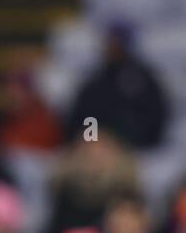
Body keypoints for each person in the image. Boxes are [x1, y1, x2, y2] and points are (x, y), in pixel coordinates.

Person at [67, 22, 170, 151]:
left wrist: (124, 141)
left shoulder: (143, 81)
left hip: (131, 149)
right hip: (97, 148)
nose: (112, 47)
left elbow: (153, 119)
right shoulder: (96, 80)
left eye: (116, 43)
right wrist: (93, 138)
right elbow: (84, 116)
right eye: (110, 42)